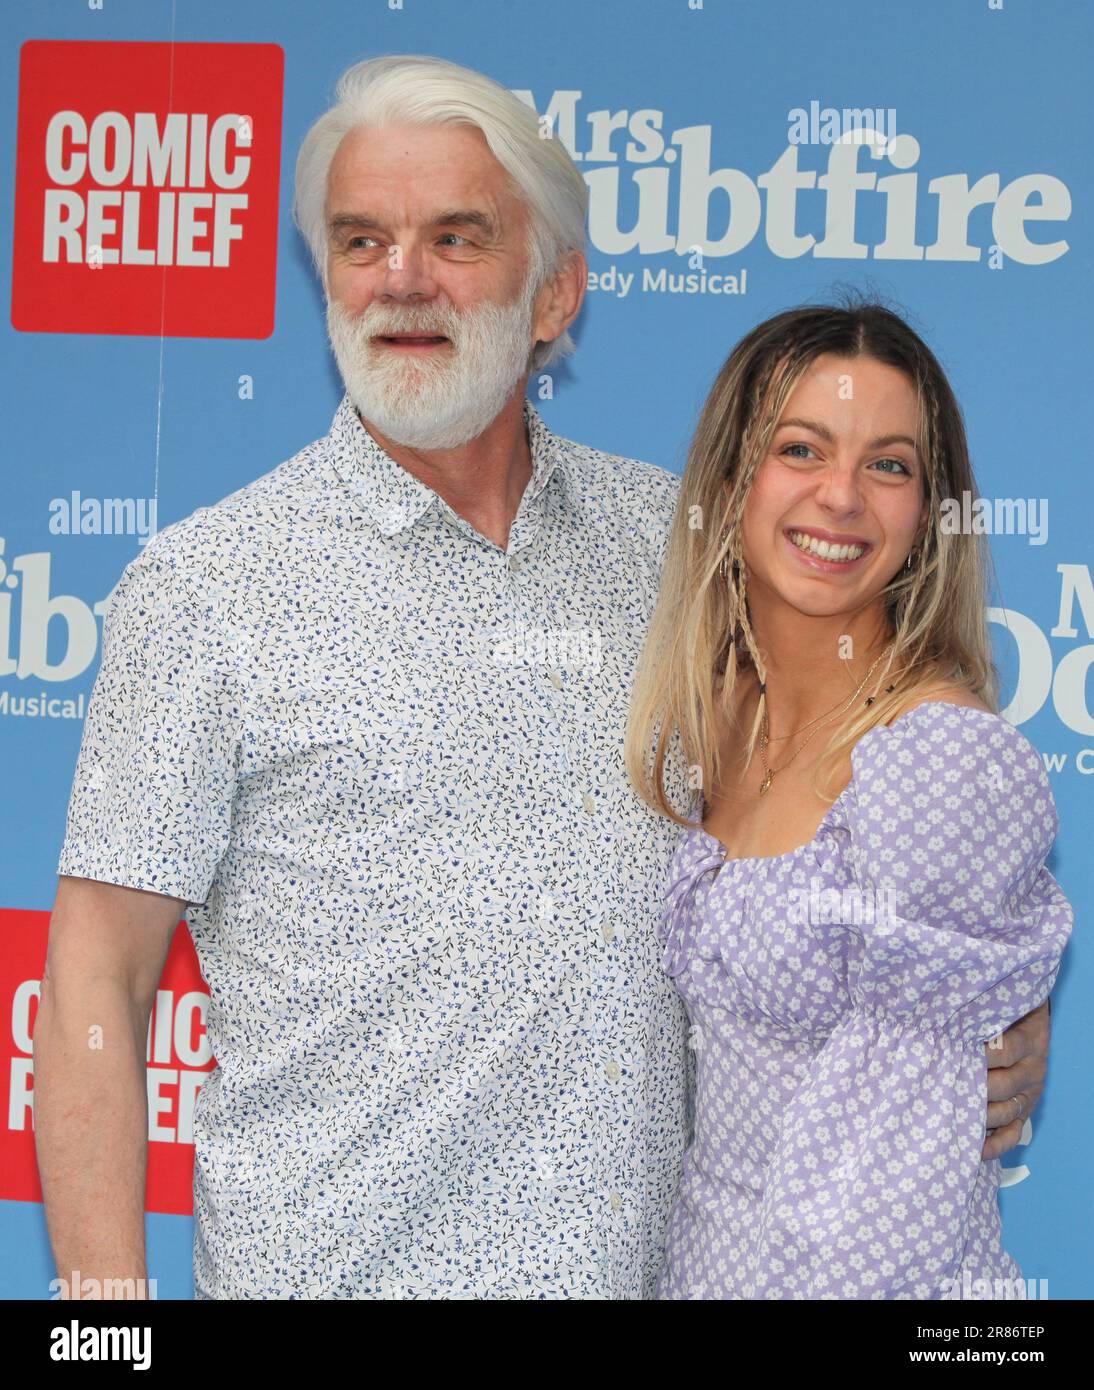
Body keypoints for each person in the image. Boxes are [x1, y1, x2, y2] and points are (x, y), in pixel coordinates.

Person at [34, 55, 1049, 1301]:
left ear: (555, 290)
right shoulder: (203, 590)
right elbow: (95, 971)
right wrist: (98, 1329)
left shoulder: (676, 549)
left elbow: (830, 803)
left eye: (456, 236)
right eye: (361, 241)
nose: (401, 278)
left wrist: (963, 1016)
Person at [625, 300, 1073, 1299]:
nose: (839, 497)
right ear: (730, 479)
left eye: (888, 465)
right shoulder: (709, 716)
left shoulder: (940, 762)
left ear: (926, 513)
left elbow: (883, 1217)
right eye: (799, 448)